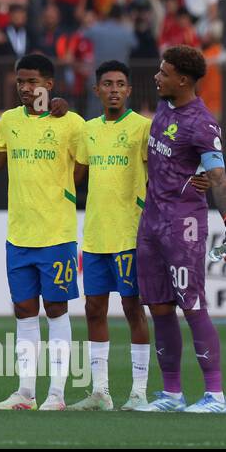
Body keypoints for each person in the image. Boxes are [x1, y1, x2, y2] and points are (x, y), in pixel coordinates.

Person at [136, 45, 226, 413]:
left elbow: (218, 178)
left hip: (182, 225)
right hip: (151, 221)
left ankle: (215, 396)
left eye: (163, 73)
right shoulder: (166, 106)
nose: (157, 77)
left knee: (192, 305)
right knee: (160, 307)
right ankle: (171, 394)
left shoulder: (202, 122)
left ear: (183, 80)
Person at [0, 54, 86, 410]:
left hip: (56, 233)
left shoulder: (71, 123)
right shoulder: (9, 120)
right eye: (20, 81)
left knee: (56, 308)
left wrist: (59, 193)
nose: (25, 88)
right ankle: (25, 392)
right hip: (18, 234)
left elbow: (83, 167)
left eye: (33, 81)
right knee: (24, 310)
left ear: (50, 84)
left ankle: (56, 394)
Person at [70, 61, 157, 410]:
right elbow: (75, 176)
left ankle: (139, 391)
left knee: (133, 308)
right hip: (95, 235)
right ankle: (100, 392)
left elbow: (159, 175)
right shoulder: (88, 131)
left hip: (129, 235)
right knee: (94, 309)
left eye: (121, 84)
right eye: (107, 84)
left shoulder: (142, 129)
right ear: (97, 91)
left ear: (129, 90)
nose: (115, 89)